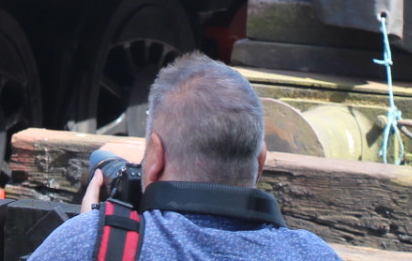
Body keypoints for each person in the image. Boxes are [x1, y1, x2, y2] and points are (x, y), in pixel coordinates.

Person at [28, 53, 339, 261]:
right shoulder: (312, 254)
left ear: (156, 159)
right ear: (260, 162)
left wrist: (95, 236)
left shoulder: (92, 244)